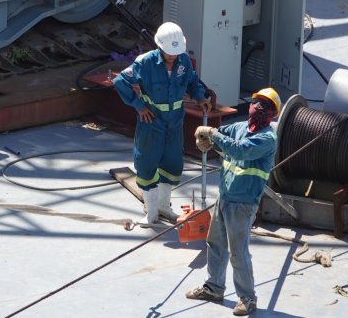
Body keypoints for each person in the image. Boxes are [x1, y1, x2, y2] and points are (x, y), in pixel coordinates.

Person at [185, 87, 280, 316]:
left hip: (243, 204)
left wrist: (212, 134)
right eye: (257, 102)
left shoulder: (267, 139)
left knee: (238, 252)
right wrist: (206, 139)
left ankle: (247, 298)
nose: (259, 108)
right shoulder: (239, 128)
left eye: (266, 106)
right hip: (225, 197)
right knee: (215, 244)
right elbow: (218, 136)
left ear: (272, 115)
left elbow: (239, 151)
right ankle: (214, 288)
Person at [113, 22, 211, 227]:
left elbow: (192, 82)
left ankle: (164, 206)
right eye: (169, 52)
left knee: (172, 163)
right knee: (147, 163)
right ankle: (151, 212)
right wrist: (139, 106)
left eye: (176, 52)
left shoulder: (184, 61)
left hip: (174, 121)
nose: (173, 56)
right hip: (152, 122)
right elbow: (120, 81)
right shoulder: (145, 63)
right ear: (160, 47)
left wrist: (200, 97)